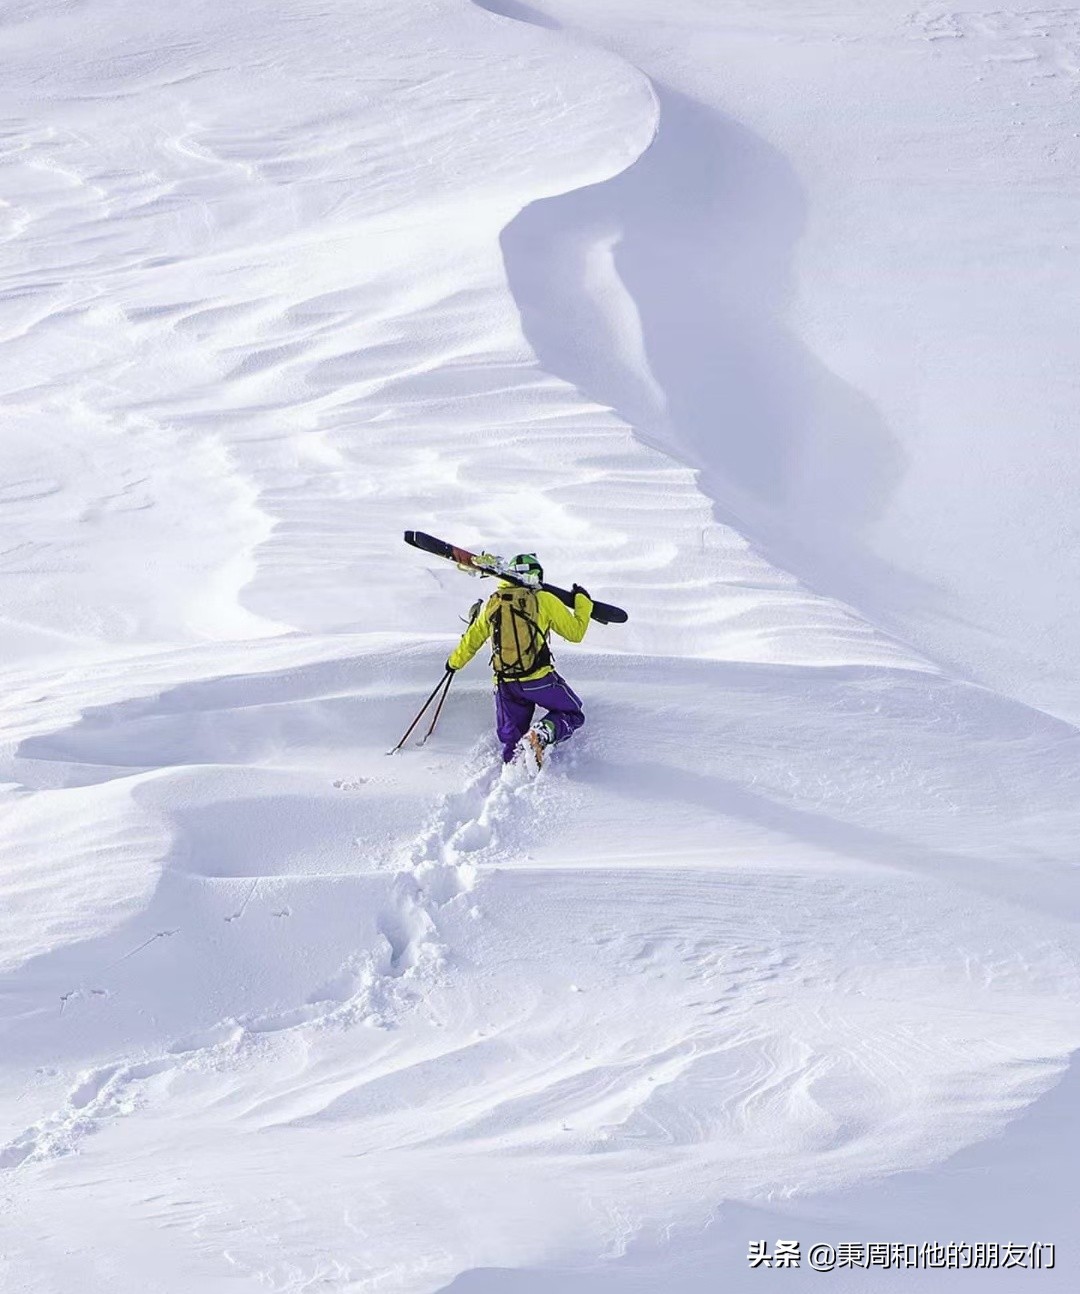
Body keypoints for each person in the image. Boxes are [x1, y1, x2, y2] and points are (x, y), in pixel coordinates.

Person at [446, 553, 593, 765]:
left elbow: (472, 640)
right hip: (538, 679)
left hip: (505, 683)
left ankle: (513, 770)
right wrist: (582, 600)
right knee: (572, 713)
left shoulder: (492, 603)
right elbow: (575, 633)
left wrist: (453, 663)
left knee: (511, 740)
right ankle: (542, 734)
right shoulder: (544, 599)